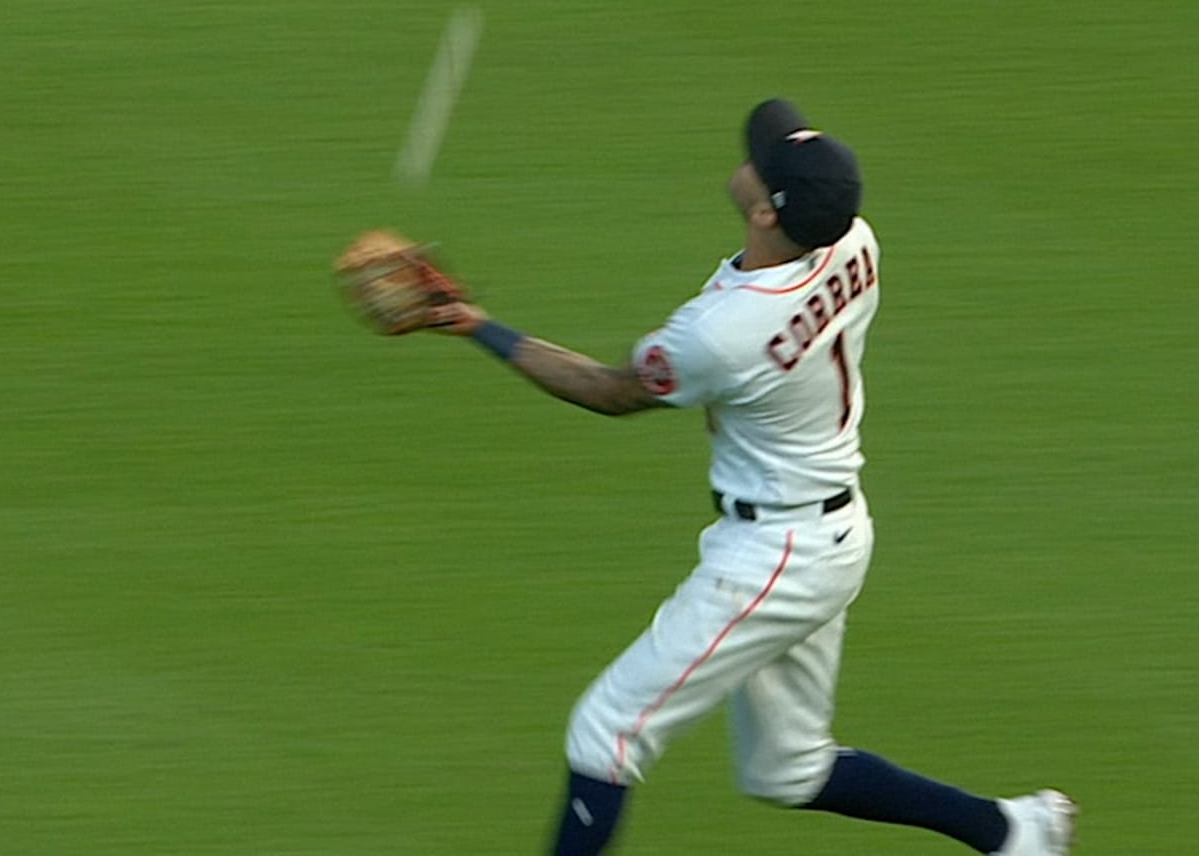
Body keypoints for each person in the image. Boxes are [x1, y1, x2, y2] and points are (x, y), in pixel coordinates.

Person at [426, 99, 1076, 856]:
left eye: (764, 161)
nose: (753, 151)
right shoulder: (853, 242)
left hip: (776, 555)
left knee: (606, 730)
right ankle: (1016, 830)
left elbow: (609, 392)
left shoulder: (719, 335)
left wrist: (474, 325)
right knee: (786, 770)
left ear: (768, 211)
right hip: (831, 528)